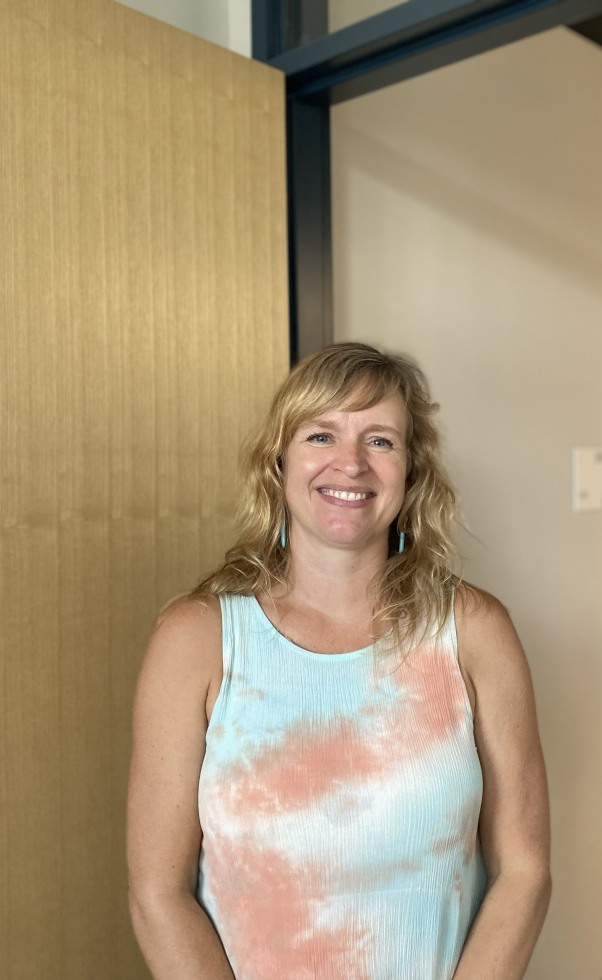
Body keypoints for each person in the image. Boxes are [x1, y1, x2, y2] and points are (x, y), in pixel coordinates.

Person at [127, 342, 551, 980]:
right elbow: (157, 892)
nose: (350, 464)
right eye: (321, 435)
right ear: (279, 464)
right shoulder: (196, 638)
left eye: (380, 441)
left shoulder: (475, 631)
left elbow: (525, 871)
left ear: (411, 471)